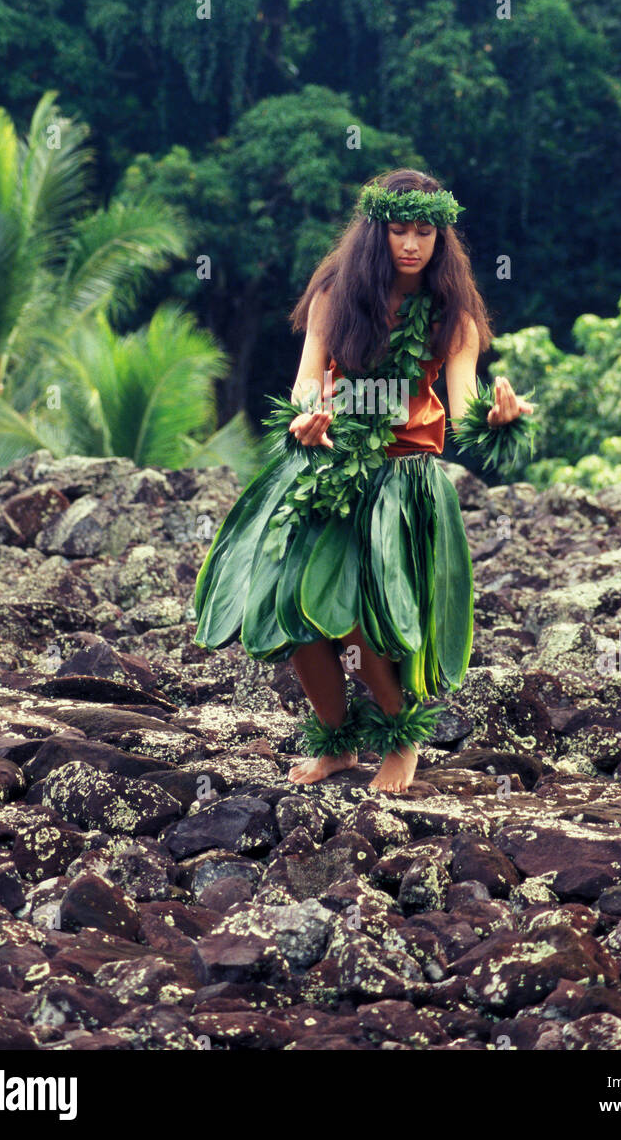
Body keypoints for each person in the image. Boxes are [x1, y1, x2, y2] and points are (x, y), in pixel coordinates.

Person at [193, 168, 534, 794]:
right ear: (375, 234)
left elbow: (460, 407)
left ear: (440, 237)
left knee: (358, 619)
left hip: (402, 482)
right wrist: (307, 418)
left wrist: (495, 419)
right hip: (327, 462)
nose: (410, 244)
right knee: (292, 602)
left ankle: (401, 739)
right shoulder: (335, 292)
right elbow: (307, 377)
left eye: (424, 232)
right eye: (398, 231)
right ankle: (337, 741)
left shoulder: (453, 313)